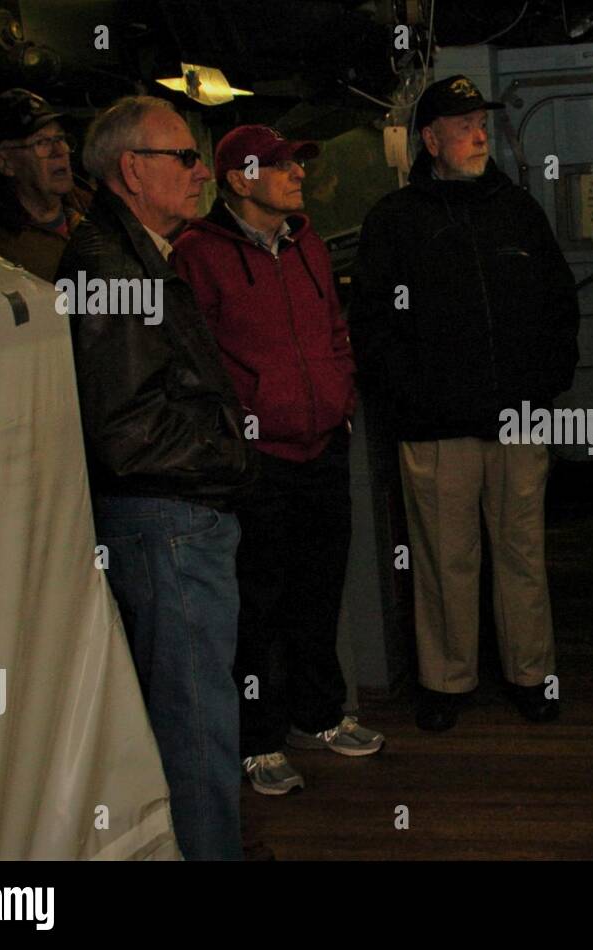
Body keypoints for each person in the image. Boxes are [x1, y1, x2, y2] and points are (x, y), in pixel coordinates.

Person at [58, 95, 258, 860]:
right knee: (195, 724)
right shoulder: (108, 264)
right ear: (132, 170)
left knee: (194, 715)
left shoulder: (140, 251)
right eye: (183, 157)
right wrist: (235, 459)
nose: (200, 172)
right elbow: (126, 429)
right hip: (167, 523)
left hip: (178, 516)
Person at [350, 75, 580, 733]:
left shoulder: (517, 209)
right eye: (463, 124)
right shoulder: (394, 222)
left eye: (482, 122)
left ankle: (530, 675)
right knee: (443, 560)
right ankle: (446, 682)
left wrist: (546, 382)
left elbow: (558, 301)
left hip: (517, 418)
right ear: (430, 140)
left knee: (521, 554)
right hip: (436, 426)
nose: (479, 133)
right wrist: (413, 398)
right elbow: (372, 326)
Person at [173, 125, 384, 797]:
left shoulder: (308, 242)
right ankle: (259, 740)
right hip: (258, 456)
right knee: (257, 604)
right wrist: (234, 437)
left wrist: (340, 398)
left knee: (320, 590)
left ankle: (318, 716)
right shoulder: (197, 255)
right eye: (283, 164)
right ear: (240, 180)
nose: (297, 174)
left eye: (298, 162)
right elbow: (192, 361)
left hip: (323, 443)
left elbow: (332, 332)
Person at [0, 89, 91, 281]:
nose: (60, 151)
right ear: (5, 163)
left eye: (60, 138)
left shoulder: (98, 210)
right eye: (41, 142)